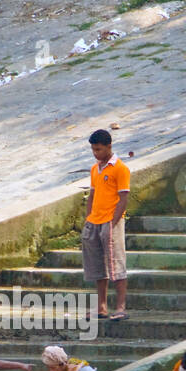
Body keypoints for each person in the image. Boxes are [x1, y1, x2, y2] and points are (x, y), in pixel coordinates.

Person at [81, 129, 131, 321]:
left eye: (99, 149)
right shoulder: (95, 169)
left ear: (109, 147)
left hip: (111, 221)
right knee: (96, 266)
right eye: (93, 150)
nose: (96, 153)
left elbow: (123, 198)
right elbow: (92, 195)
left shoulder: (120, 168)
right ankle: (101, 307)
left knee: (116, 263)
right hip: (94, 221)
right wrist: (88, 218)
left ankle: (120, 307)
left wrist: (114, 221)